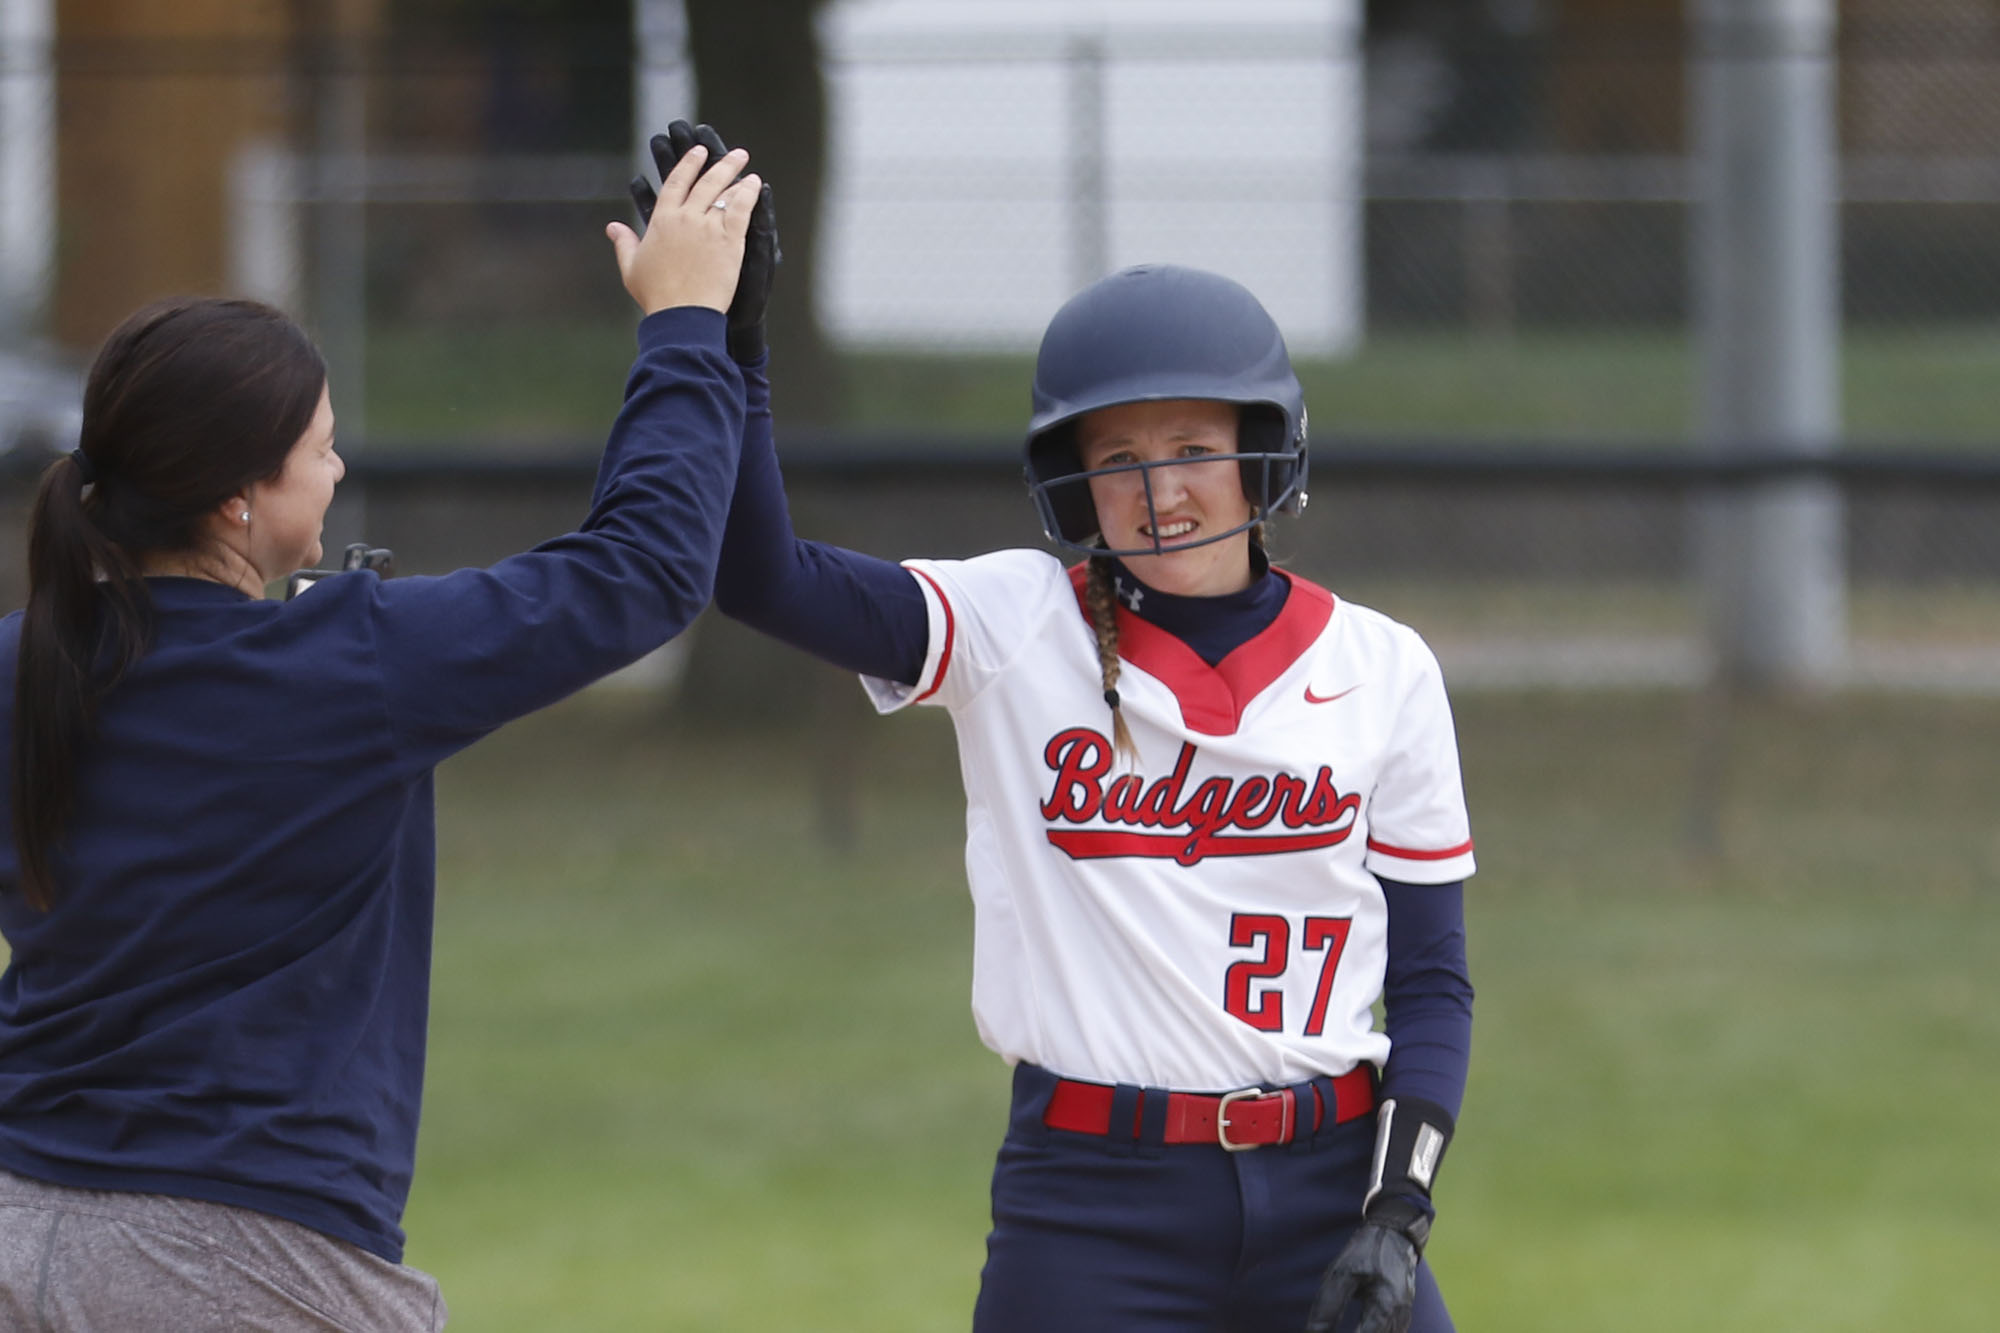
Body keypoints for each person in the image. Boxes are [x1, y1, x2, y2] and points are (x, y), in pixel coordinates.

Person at [697, 122, 1474, 1333]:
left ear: (1259, 454)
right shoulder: (1013, 624)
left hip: (1331, 1181)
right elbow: (760, 579)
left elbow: (1430, 982)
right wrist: (728, 351)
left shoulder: (1382, 668)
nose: (1159, 490)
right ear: (1070, 481)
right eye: (1117, 456)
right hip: (1092, 1199)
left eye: (1191, 448)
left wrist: (1395, 1212)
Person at [0, 139, 763, 1330]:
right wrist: (685, 329)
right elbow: (642, 574)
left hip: (21, 1218)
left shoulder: (26, 659)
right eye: (319, 445)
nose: (340, 465)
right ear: (237, 496)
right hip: (237, 1266)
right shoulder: (342, 662)